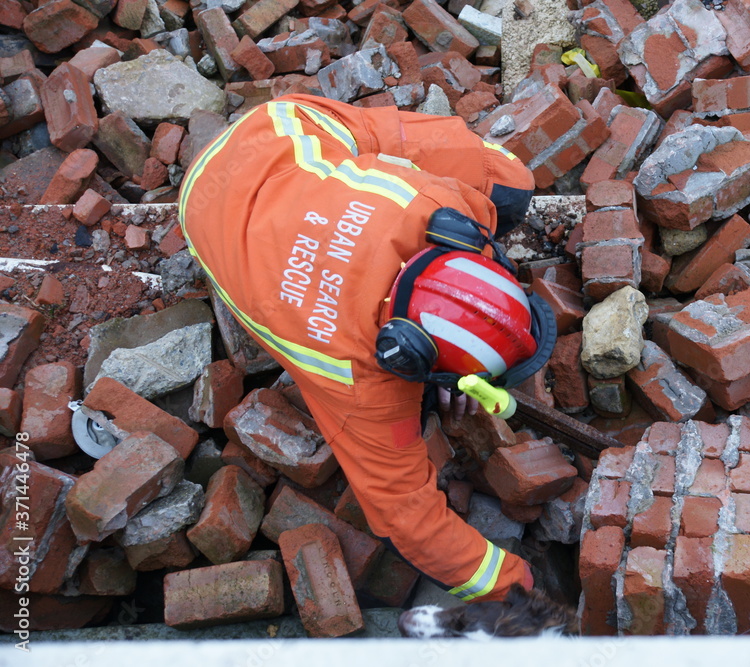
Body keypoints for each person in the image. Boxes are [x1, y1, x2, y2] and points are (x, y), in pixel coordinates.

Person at [179, 94, 554, 603]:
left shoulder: (441, 207)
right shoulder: (358, 385)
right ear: (409, 359)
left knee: (509, 184)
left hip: (277, 133)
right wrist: (517, 591)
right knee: (413, 419)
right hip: (205, 206)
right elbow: (406, 516)